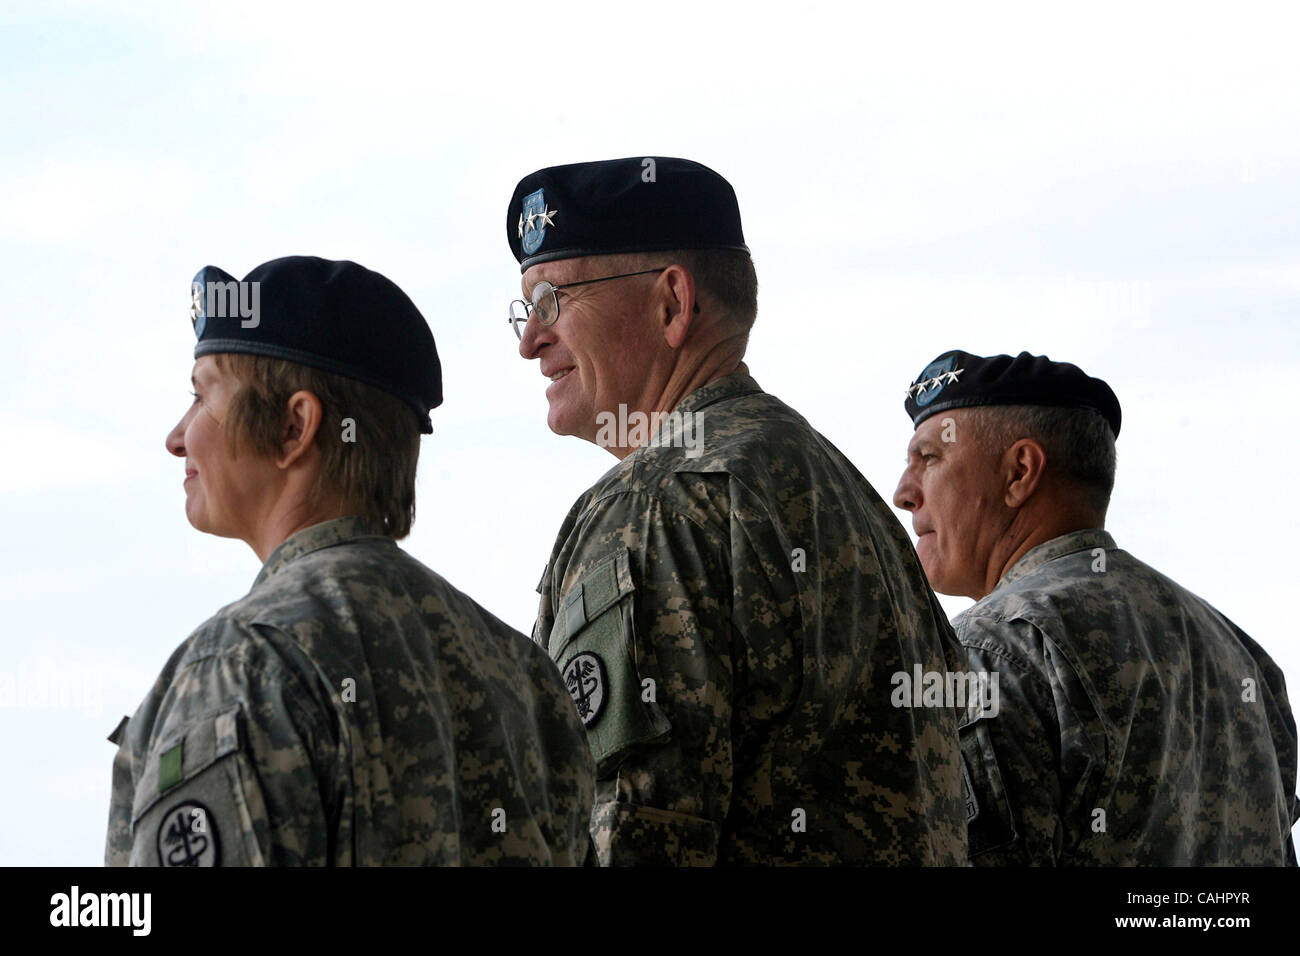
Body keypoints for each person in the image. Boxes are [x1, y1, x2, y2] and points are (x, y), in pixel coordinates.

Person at [506, 156, 969, 865]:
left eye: (550, 303)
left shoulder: (658, 503)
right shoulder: (851, 500)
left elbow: (620, 839)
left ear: (671, 303)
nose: (529, 342)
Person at [105, 256, 594, 866]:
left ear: (294, 427)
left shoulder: (242, 664)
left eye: (201, 397)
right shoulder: (526, 678)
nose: (177, 436)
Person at [893, 348, 1299, 865]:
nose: (904, 493)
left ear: (1020, 472)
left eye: (929, 458)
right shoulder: (1243, 656)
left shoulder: (993, 647)